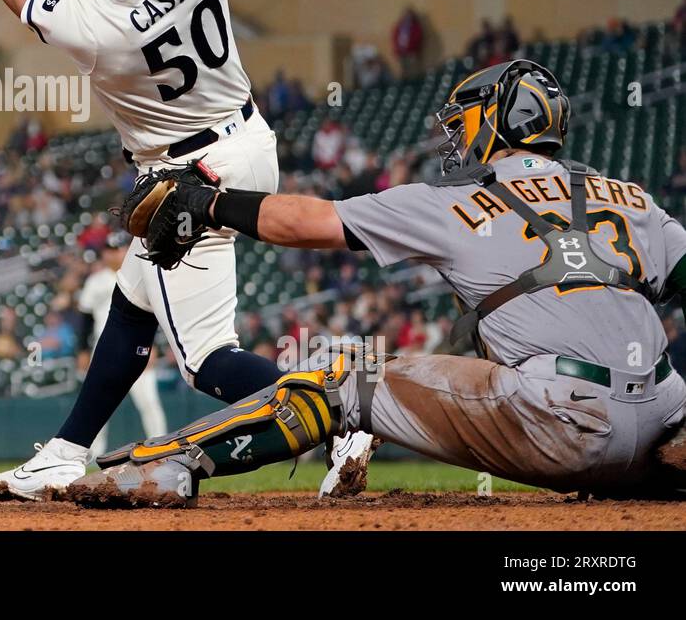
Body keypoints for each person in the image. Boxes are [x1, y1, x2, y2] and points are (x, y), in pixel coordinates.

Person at [74, 60, 686, 503]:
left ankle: (171, 463)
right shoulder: (630, 199)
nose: (459, 137)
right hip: (664, 413)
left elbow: (308, 221)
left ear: (497, 123)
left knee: (345, 372)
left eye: (467, 122)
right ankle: (650, 462)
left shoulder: (454, 199)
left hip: (558, 420)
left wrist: (207, 203)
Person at [0, 0, 348, 500]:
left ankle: (345, 418)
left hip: (192, 181)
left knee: (204, 359)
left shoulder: (99, 26)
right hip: (245, 140)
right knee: (132, 303)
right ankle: (62, 453)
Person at [78, 243, 168, 457]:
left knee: (149, 402)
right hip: (103, 348)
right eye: (109, 249)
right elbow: (85, 318)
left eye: (118, 248)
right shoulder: (95, 281)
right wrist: (81, 350)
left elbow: (157, 310)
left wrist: (154, 345)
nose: (114, 253)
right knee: (97, 402)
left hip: (137, 345)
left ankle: (160, 447)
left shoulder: (141, 273)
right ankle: (92, 454)